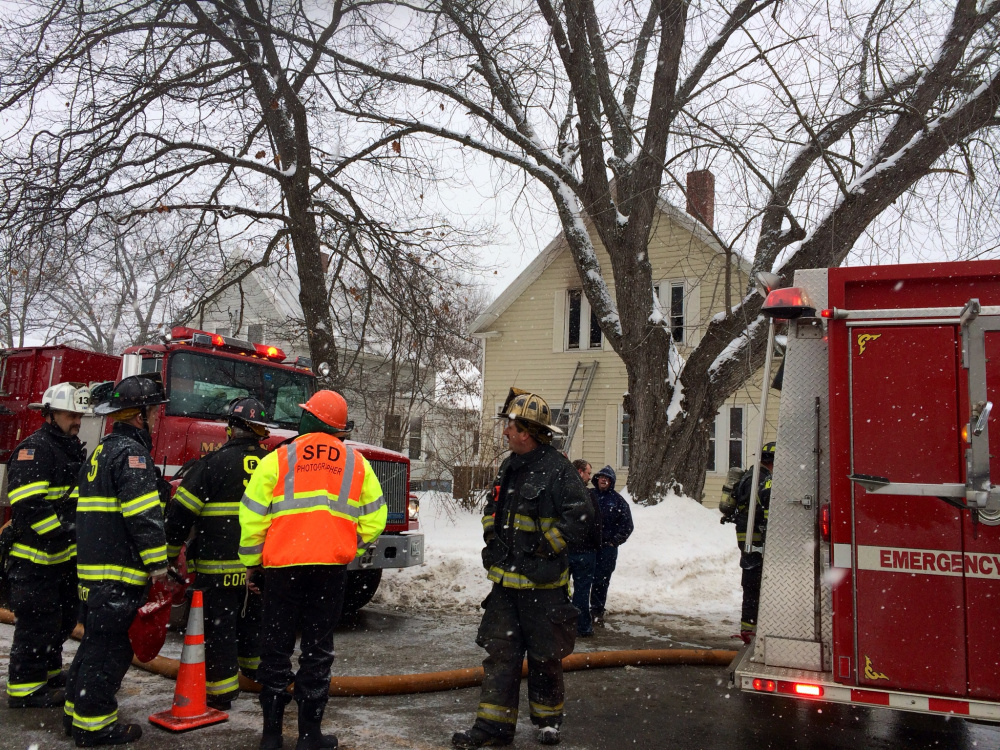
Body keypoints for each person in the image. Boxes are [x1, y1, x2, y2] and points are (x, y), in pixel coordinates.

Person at [239, 390, 386, 750]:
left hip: (283, 570)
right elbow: (375, 518)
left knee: (275, 649)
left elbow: (252, 516)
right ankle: (309, 736)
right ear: (337, 426)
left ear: (311, 419)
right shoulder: (356, 463)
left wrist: (252, 564)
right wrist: (351, 545)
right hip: (329, 570)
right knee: (317, 651)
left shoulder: (278, 458)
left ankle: (271, 735)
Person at [452, 389, 596, 749]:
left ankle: (548, 721)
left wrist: (546, 545)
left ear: (528, 431)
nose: (505, 433)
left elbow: (581, 518)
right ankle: (493, 726)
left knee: (545, 656)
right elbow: (493, 507)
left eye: (511, 427)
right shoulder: (509, 466)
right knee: (500, 655)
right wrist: (492, 538)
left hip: (543, 587)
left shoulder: (559, 470)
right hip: (505, 585)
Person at [65, 375, 172, 747]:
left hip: (94, 575)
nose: (157, 417)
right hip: (119, 576)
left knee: (94, 645)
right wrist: (159, 567)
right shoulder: (132, 454)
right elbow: (144, 518)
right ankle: (95, 726)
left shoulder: (101, 451)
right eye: (154, 411)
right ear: (140, 415)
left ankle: (75, 714)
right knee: (110, 652)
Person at [165, 396, 272, 709]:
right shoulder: (271, 467)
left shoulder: (211, 465)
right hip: (259, 567)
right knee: (254, 619)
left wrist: (172, 554)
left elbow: (180, 513)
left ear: (230, 429)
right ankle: (257, 671)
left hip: (217, 568)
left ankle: (222, 692)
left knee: (220, 628)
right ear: (260, 431)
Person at [5, 383, 91, 708]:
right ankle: (25, 690)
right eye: (71, 414)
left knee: (62, 619)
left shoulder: (70, 448)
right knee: (36, 625)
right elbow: (28, 506)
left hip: (62, 561)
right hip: (35, 562)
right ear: (51, 413)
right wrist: (63, 532)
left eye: (79, 415)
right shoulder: (35, 449)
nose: (77, 421)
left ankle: (49, 672)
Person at [724, 441, 774, 644]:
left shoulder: (748, 476)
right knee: (756, 585)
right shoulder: (764, 480)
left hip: (746, 539)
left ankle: (749, 627)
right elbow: (767, 509)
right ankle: (753, 629)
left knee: (750, 584)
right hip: (757, 540)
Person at [589, 466, 633, 629]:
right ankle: (579, 609)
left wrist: (614, 541)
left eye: (607, 478)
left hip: (607, 549)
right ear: (597, 479)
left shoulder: (618, 501)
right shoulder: (589, 496)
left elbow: (627, 525)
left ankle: (597, 610)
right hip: (588, 547)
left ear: (611, 482)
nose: (603, 480)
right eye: (601, 477)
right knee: (584, 579)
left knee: (601, 580)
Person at [567, 459, 601, 637]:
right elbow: (595, 523)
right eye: (588, 473)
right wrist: (596, 545)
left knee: (560, 591)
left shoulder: (561, 492)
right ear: (580, 472)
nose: (590, 476)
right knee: (581, 592)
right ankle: (582, 627)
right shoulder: (588, 496)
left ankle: (560, 625)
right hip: (584, 553)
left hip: (564, 550)